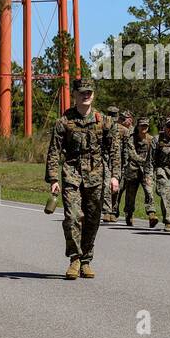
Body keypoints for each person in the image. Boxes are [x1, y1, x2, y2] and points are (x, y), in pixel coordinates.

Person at [45, 78, 120, 279]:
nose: (86, 95)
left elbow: (114, 151)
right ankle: (75, 258)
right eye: (82, 92)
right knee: (72, 217)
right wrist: (53, 179)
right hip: (72, 174)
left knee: (92, 219)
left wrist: (115, 176)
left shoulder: (104, 121)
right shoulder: (64, 121)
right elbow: (54, 151)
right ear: (75, 95)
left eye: (89, 92)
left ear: (93, 95)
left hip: (96, 176)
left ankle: (86, 260)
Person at [121, 116, 156, 226]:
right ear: (138, 126)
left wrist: (151, 166)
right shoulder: (131, 138)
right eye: (142, 126)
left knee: (149, 191)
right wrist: (144, 161)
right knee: (130, 194)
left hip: (146, 171)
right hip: (133, 169)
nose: (144, 128)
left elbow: (154, 155)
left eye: (146, 126)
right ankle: (129, 214)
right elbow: (132, 153)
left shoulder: (151, 139)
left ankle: (151, 214)